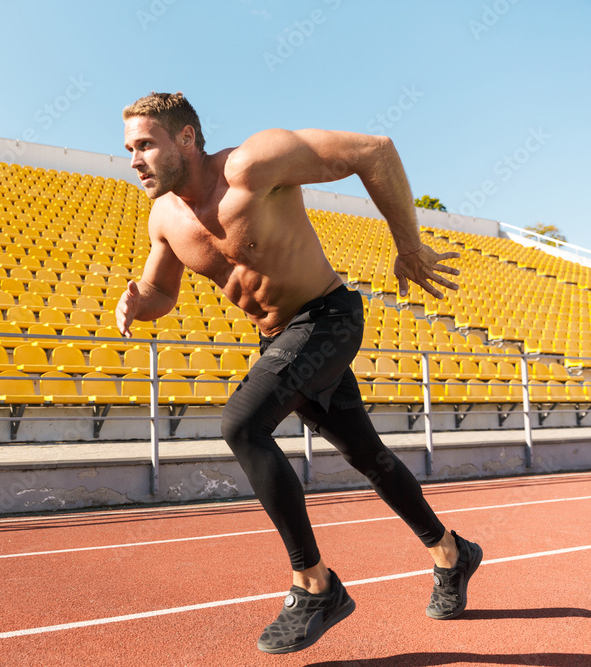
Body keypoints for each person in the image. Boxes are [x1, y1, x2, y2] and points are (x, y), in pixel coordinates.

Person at [115, 92, 483, 654]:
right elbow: (163, 290)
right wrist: (139, 303)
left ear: (186, 138)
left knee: (242, 425)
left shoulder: (252, 165)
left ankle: (314, 584)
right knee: (368, 456)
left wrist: (408, 245)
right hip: (280, 338)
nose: (134, 159)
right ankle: (453, 553)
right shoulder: (164, 218)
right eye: (128, 149)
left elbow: (374, 150)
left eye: (145, 145)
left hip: (328, 318)